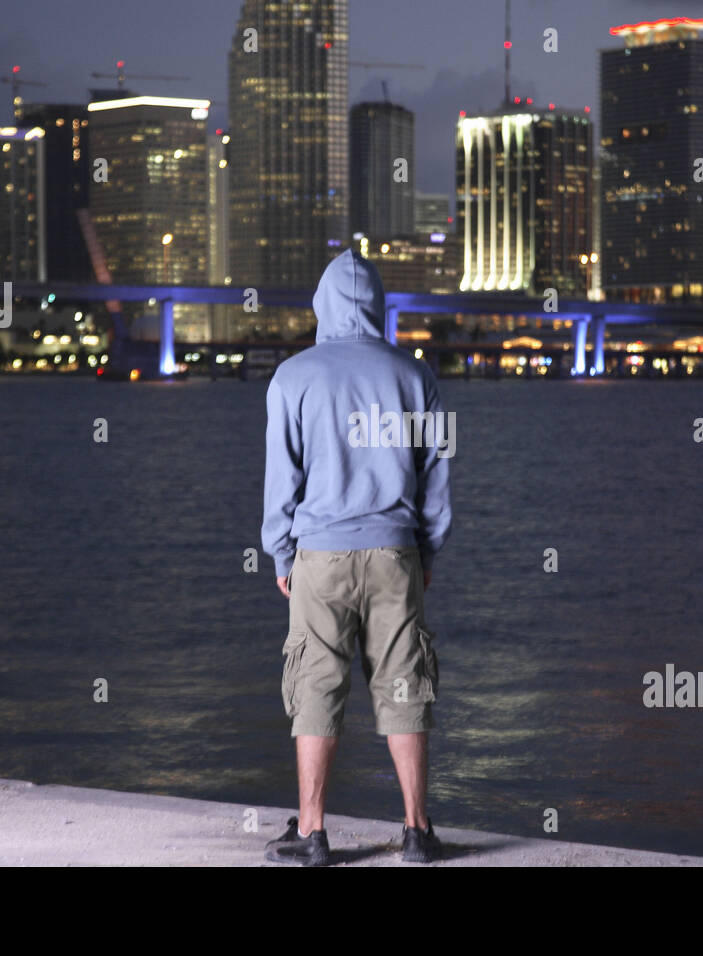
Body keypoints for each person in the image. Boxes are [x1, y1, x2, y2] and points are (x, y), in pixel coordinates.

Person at [261, 248, 453, 866]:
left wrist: (281, 554)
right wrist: (425, 550)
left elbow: (280, 482)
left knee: (316, 685)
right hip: (397, 551)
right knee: (405, 685)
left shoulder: (292, 377)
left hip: (319, 554)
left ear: (321, 305)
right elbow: (437, 479)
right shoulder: (417, 377)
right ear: (378, 305)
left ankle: (313, 833)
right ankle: (417, 831)